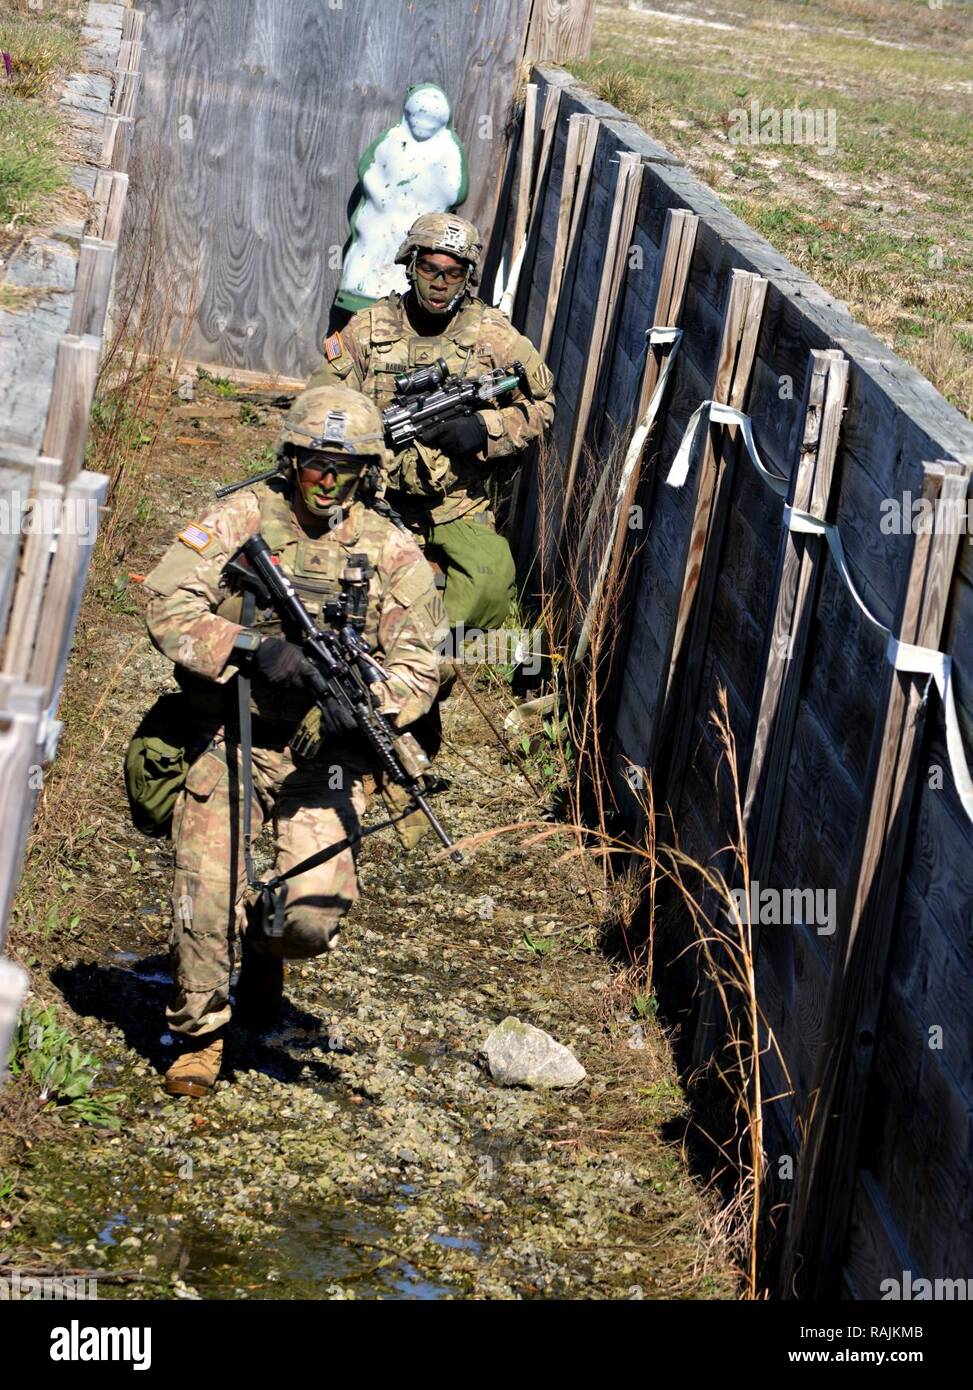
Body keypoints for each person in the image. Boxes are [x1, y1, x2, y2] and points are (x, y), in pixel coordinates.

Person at [141, 386, 447, 1097]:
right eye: (315, 463)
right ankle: (201, 1035)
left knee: (308, 919)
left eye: (345, 468)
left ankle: (261, 946)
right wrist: (248, 646)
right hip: (233, 734)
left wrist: (360, 708)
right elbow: (164, 600)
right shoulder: (243, 517)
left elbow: (418, 668)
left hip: (325, 762)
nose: (328, 481)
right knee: (207, 888)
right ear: (292, 460)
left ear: (367, 473)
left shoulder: (391, 552)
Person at [308, 212, 554, 636]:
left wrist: (484, 427)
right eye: (430, 269)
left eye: (453, 274)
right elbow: (319, 406)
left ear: (467, 279)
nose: (440, 284)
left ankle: (425, 648)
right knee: (327, 577)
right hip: (373, 497)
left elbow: (542, 406)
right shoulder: (367, 330)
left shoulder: (493, 336)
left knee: (490, 585)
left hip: (456, 504)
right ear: (411, 264)